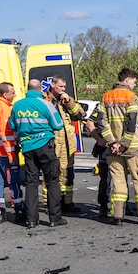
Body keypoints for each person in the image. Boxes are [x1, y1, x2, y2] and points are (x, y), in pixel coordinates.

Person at [98, 68, 138, 226]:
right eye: (134, 82)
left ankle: (117, 216)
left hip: (113, 148)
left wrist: (112, 142)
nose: (135, 85)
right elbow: (132, 122)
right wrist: (123, 144)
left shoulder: (106, 97)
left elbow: (101, 122)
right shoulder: (131, 96)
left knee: (118, 181)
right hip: (132, 147)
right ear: (127, 80)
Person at [9, 79, 66, 228]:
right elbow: (58, 125)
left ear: (27, 89)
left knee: (31, 183)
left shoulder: (17, 105)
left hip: (27, 147)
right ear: (40, 90)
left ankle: (32, 220)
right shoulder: (46, 104)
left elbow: (12, 125)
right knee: (52, 181)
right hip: (45, 145)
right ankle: (55, 218)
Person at [45, 75, 86, 214]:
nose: (63, 89)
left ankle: (67, 202)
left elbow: (79, 115)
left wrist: (68, 102)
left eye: (64, 87)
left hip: (67, 145)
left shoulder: (66, 100)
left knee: (68, 174)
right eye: (60, 86)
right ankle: (50, 203)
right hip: (53, 144)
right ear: (52, 85)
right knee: (52, 174)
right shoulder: (45, 100)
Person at [0, 82, 23, 224]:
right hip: (6, 151)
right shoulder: (4, 108)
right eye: (13, 93)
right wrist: (11, 154)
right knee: (13, 180)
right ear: (5, 94)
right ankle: (18, 208)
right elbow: (6, 134)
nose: (15, 95)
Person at [85, 109, 112, 219]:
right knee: (109, 178)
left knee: (110, 178)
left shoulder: (104, 106)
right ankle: (106, 206)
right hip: (108, 147)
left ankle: (108, 207)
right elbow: (89, 123)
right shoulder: (103, 107)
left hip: (113, 146)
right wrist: (99, 140)